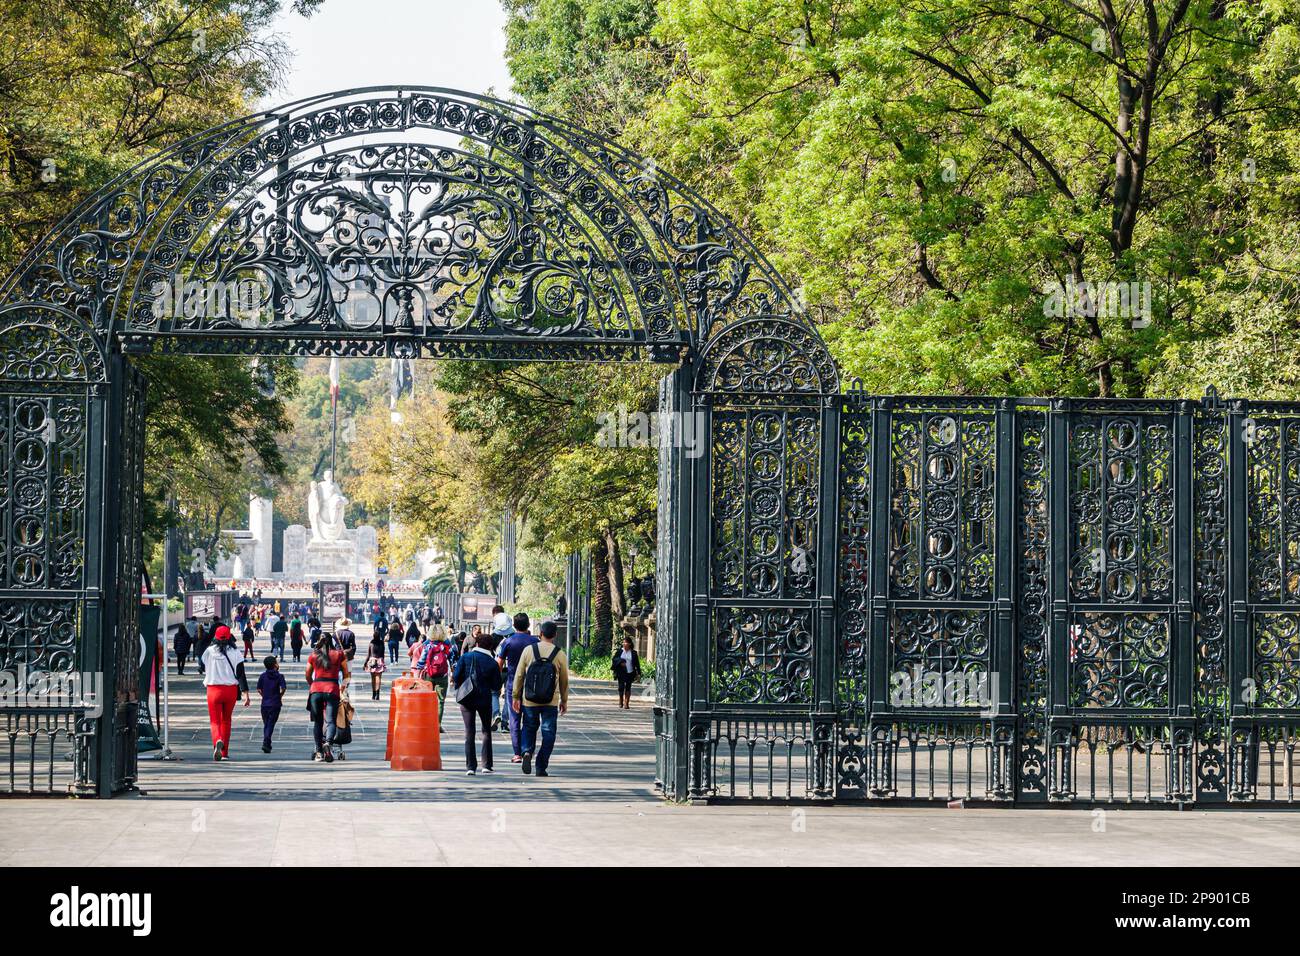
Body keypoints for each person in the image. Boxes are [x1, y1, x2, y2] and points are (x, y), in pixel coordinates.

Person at [513, 621, 569, 777]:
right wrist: (564, 701)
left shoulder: (528, 650)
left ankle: (526, 752)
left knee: (529, 727)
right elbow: (564, 680)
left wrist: (515, 696)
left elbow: (519, 675)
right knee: (549, 732)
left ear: (540, 634)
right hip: (550, 700)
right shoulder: (560, 654)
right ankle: (541, 766)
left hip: (529, 699)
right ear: (555, 635)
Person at [452, 630, 503, 776]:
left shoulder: (466, 657)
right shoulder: (492, 663)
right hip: (484, 700)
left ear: (477, 643)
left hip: (467, 699)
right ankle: (486, 765)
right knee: (486, 731)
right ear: (490, 647)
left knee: (469, 732)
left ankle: (470, 767)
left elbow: (456, 676)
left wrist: (461, 686)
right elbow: (496, 685)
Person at [200, 624, 250, 761]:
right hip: (230, 691)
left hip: (213, 690)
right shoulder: (236, 653)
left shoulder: (209, 651)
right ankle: (224, 752)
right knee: (226, 720)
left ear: (215, 637)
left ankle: (217, 740)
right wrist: (246, 694)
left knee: (215, 721)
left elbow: (202, 665)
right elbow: (241, 675)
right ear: (230, 638)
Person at [496, 613, 538, 763]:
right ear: (528, 625)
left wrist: (495, 681)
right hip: (531, 685)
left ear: (513, 625)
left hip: (512, 684)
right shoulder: (535, 641)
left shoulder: (508, 642)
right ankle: (527, 749)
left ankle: (517, 754)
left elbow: (499, 664)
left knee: (514, 718)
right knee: (529, 718)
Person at [305, 633, 350, 762]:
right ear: (332, 642)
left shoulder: (313, 655)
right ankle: (328, 744)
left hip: (316, 690)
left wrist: (312, 685)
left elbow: (307, 674)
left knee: (318, 722)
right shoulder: (339, 654)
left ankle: (319, 752)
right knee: (331, 721)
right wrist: (343, 687)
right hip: (332, 689)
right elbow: (346, 674)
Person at [414, 624, 453, 726]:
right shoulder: (447, 645)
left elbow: (421, 661)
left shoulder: (428, 645)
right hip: (442, 675)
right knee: (440, 701)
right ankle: (437, 724)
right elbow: (452, 659)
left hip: (429, 674)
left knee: (427, 698)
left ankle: (426, 722)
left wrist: (418, 673)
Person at [257, 655, 286, 753]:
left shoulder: (262, 676)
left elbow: (259, 689)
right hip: (275, 703)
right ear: (275, 665)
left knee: (267, 724)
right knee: (271, 724)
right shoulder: (279, 676)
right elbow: (283, 688)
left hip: (265, 704)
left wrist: (264, 696)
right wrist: (280, 695)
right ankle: (266, 742)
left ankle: (267, 744)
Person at [612, 636, 642, 709]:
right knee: (621, 687)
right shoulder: (619, 651)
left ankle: (626, 703)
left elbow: (637, 663)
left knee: (628, 687)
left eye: (626, 642)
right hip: (621, 672)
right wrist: (620, 662)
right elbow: (614, 659)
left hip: (630, 672)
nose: (624, 644)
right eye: (624, 642)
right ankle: (620, 701)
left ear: (629, 644)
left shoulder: (633, 653)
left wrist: (639, 673)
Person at [363, 628, 387, 700]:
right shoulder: (382, 643)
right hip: (380, 660)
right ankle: (377, 694)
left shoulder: (371, 643)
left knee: (373, 678)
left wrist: (365, 663)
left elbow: (368, 654)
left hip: (372, 661)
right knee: (378, 678)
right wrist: (382, 661)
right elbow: (383, 653)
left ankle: (373, 694)